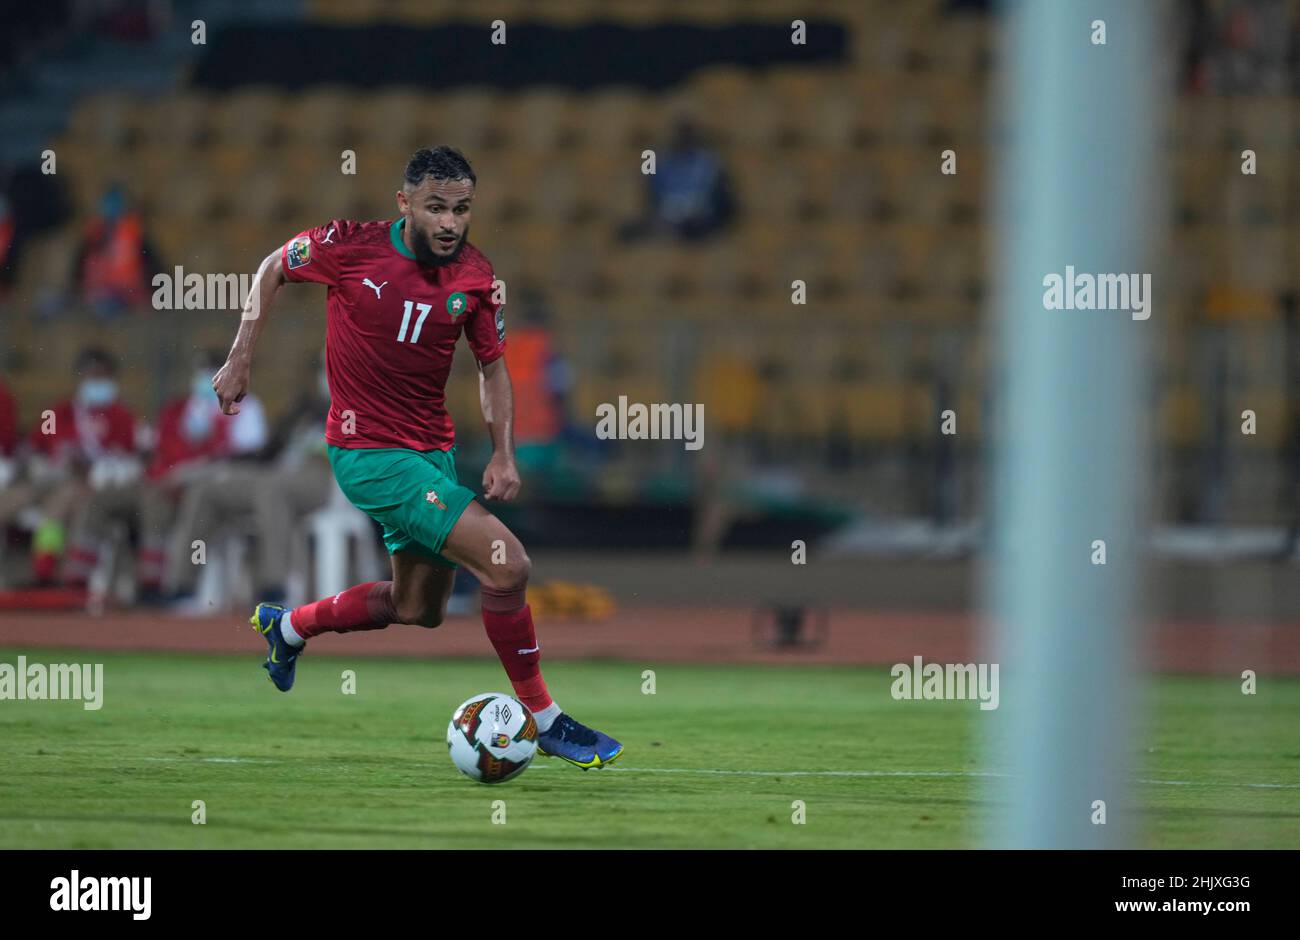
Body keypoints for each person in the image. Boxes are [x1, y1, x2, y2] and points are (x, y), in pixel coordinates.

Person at [212, 146, 623, 770]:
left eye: (461, 209)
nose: (450, 223)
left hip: (432, 453)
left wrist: (504, 452)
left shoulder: (477, 277)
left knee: (418, 610)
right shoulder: (347, 245)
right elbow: (272, 265)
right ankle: (545, 719)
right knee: (507, 565)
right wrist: (241, 354)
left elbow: (491, 368)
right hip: (367, 451)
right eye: (436, 207)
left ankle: (289, 627)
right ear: (405, 204)